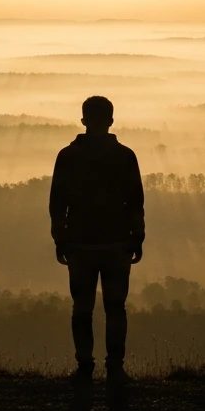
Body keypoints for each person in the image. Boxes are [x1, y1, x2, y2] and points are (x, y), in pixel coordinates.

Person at [49, 95, 145, 385]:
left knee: (82, 308)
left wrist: (60, 238)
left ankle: (84, 365)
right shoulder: (125, 156)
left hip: (79, 245)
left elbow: (57, 203)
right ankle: (115, 366)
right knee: (116, 308)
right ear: (111, 120)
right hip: (117, 245)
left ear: (84, 120)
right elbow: (135, 202)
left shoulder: (68, 156)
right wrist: (137, 238)